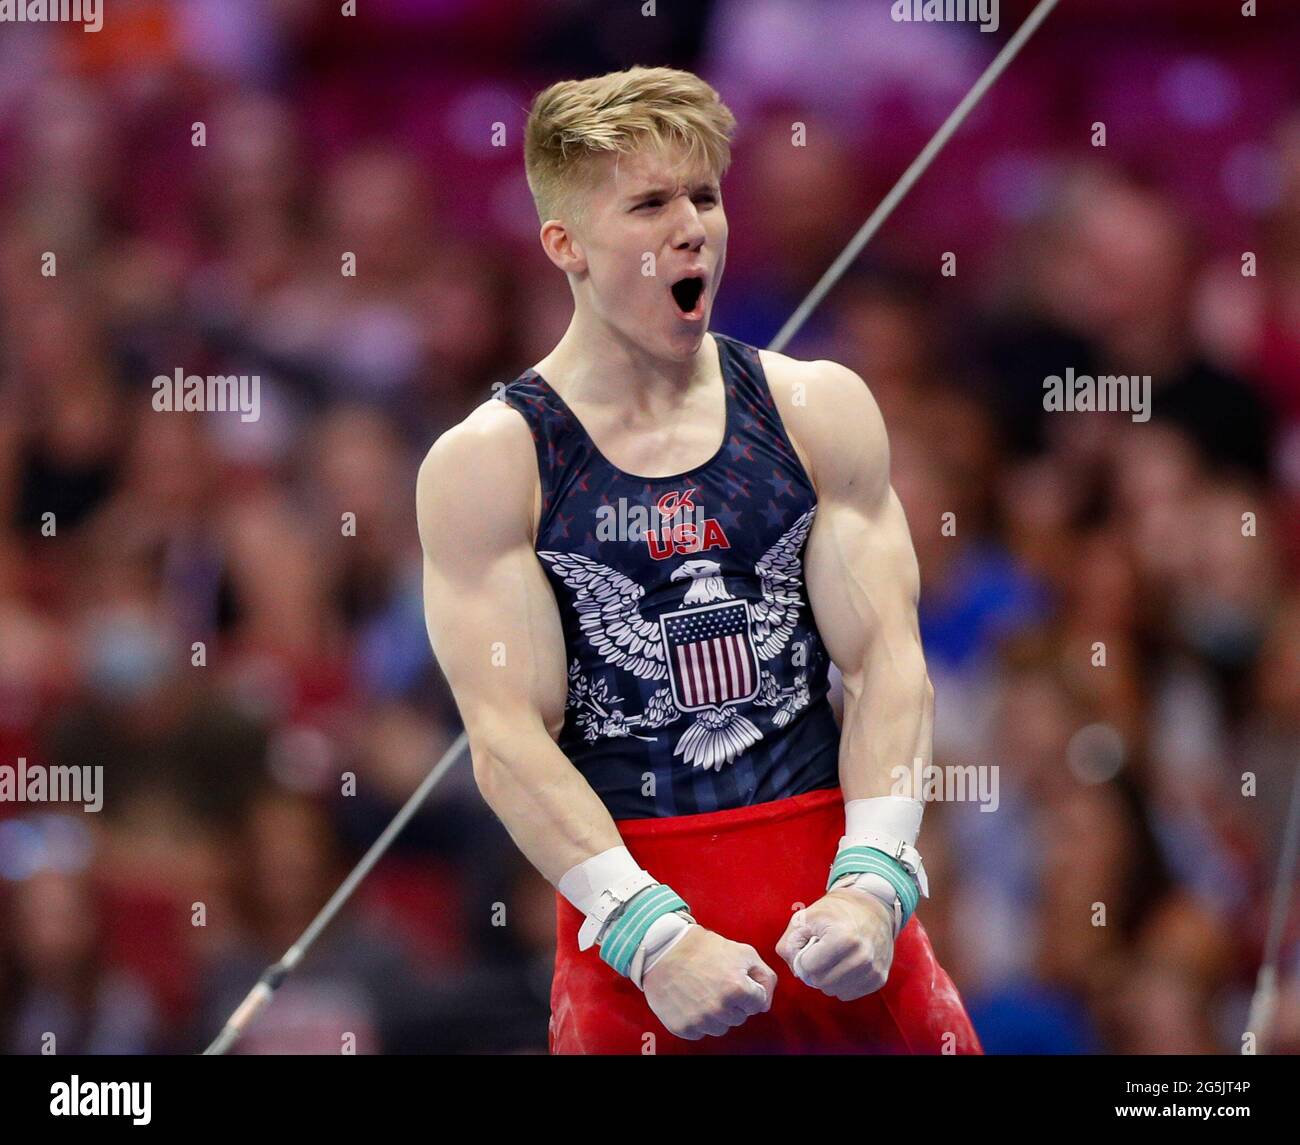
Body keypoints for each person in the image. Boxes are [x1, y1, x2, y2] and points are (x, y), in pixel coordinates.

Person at [416, 65, 981, 1054]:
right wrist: (645, 929)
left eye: (705, 197)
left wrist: (877, 876)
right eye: (648, 204)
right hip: (636, 933)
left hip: (837, 906)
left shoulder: (815, 409)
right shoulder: (493, 463)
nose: (693, 228)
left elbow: (886, 658)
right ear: (566, 245)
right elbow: (508, 734)